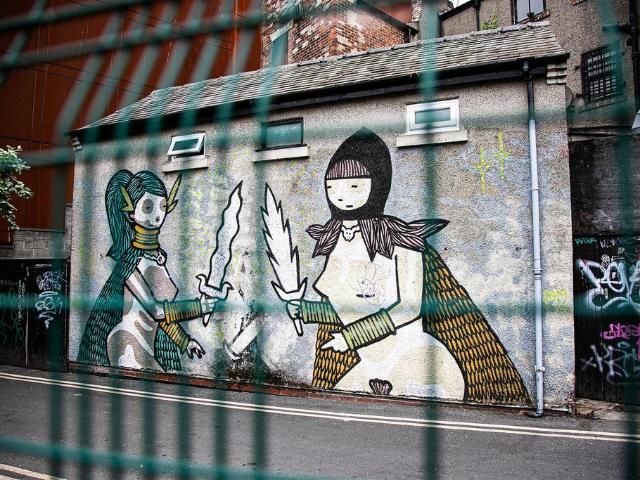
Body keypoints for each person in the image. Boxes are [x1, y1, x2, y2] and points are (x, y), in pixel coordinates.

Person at [286, 128, 529, 404]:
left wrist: (351, 337)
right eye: (333, 187)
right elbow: (347, 307)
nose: (341, 195)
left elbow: (409, 308)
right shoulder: (337, 238)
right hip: (367, 364)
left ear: (377, 186)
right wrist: (306, 310)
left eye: (354, 186)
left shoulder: (401, 240)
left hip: (413, 357)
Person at [77, 170, 219, 371]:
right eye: (148, 207)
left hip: (146, 343)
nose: (157, 214)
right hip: (126, 342)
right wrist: (198, 307)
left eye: (162, 206)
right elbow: (157, 311)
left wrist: (185, 342)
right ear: (131, 213)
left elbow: (162, 317)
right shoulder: (130, 263)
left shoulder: (156, 258)